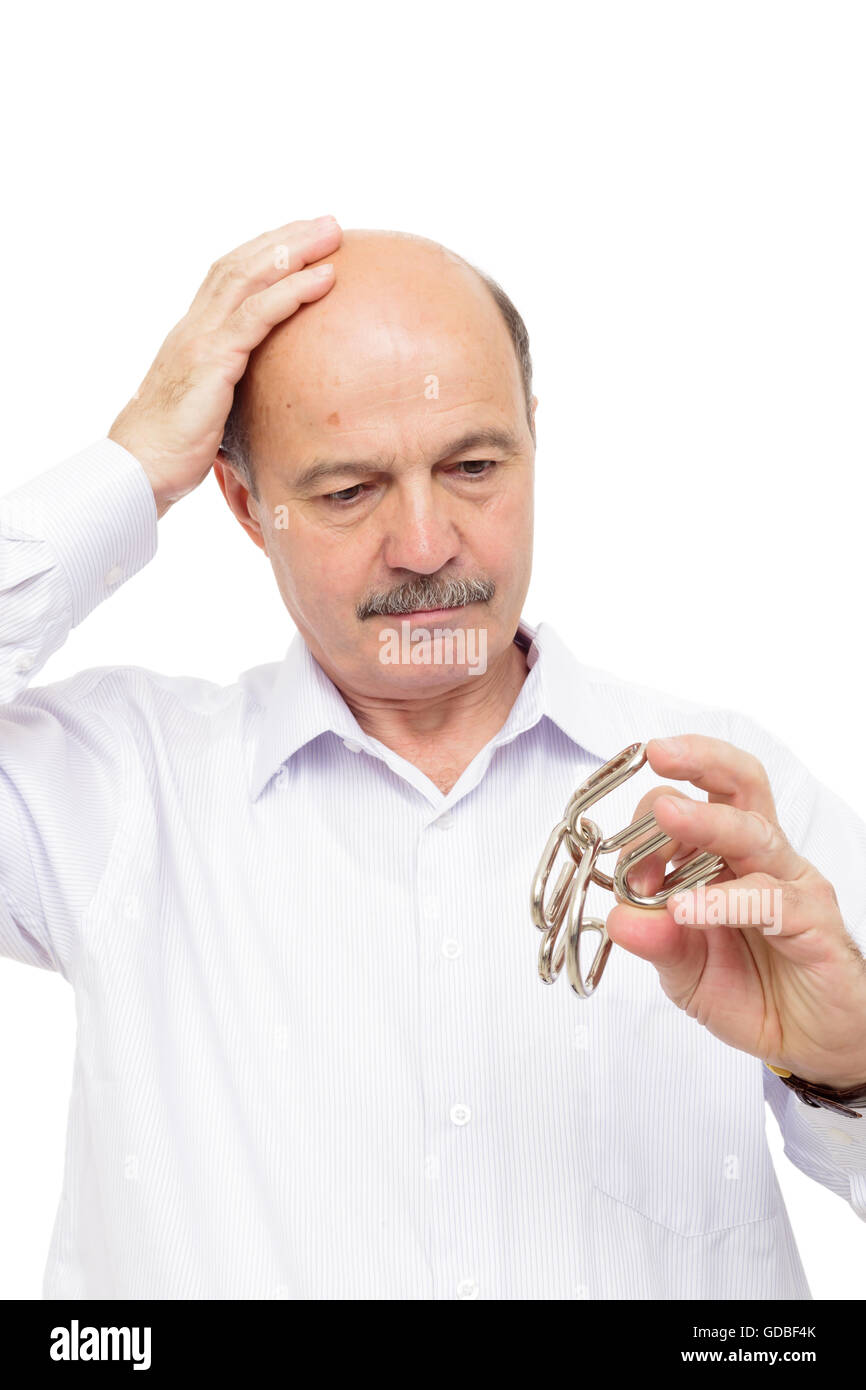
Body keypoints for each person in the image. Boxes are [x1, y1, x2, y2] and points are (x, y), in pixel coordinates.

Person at [1, 215, 865, 1300]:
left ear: (533, 445)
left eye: (470, 466)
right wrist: (130, 468)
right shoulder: (115, 788)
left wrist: (848, 1067)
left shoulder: (723, 801)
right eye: (346, 490)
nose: (424, 545)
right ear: (240, 504)